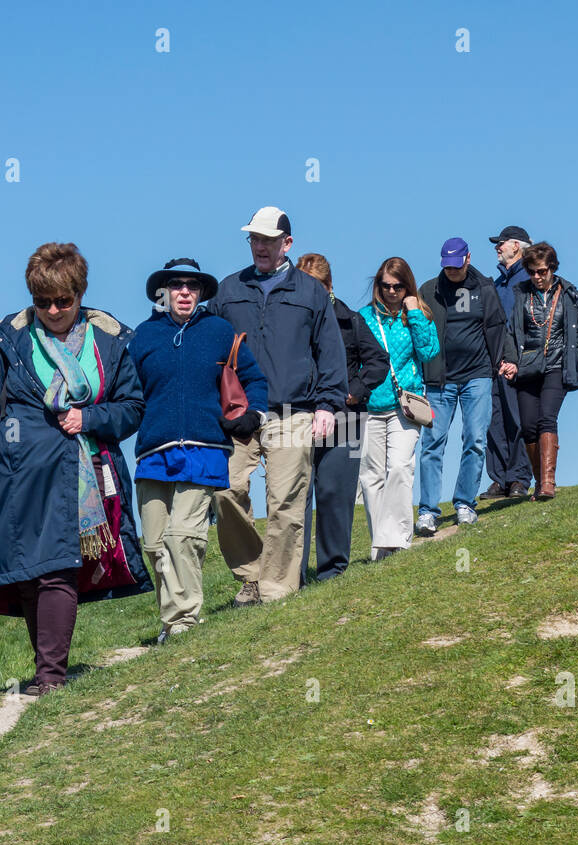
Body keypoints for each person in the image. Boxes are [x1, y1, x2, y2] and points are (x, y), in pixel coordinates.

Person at [0, 242, 150, 696]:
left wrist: (91, 418)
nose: (54, 310)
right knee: (26, 569)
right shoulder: (11, 339)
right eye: (43, 302)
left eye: (64, 300)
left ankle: (50, 676)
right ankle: (46, 668)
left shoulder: (111, 340)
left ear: (80, 293)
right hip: (17, 473)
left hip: (80, 472)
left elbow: (132, 407)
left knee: (58, 566)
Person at [207, 207, 348, 605]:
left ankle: (276, 591)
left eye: (268, 240)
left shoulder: (311, 292)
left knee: (285, 502)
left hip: (295, 411)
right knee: (225, 491)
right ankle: (253, 573)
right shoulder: (228, 290)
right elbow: (210, 350)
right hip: (239, 415)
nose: (260, 247)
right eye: (254, 239)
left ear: (287, 243)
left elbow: (330, 352)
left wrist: (327, 403)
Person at [128, 258, 268, 643]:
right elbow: (125, 393)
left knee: (182, 536)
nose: (185, 292)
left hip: (206, 449)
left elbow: (253, 378)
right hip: (153, 452)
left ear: (202, 292)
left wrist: (253, 414)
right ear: (164, 292)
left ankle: (183, 621)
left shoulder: (220, 332)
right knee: (155, 544)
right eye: (176, 285)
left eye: (192, 286)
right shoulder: (142, 337)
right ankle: (170, 618)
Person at [296, 253, 389, 582]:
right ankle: (293, 573)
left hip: (346, 418)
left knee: (335, 492)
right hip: (297, 416)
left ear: (329, 286)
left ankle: (332, 570)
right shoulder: (291, 319)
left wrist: (356, 390)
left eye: (318, 287)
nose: (312, 293)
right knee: (296, 494)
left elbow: (379, 361)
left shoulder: (349, 320)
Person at [415, 238, 512, 534]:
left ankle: (465, 504)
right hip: (439, 380)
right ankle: (428, 511)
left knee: (475, 439)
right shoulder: (429, 290)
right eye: (448, 266)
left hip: (478, 376)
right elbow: (417, 330)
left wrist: (507, 359)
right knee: (432, 444)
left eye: (457, 266)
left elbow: (497, 326)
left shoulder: (484, 287)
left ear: (468, 258)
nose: (452, 271)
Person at [359, 258, 440, 559]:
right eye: (386, 286)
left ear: (408, 286)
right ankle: (380, 545)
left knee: (400, 467)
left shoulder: (417, 315)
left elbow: (430, 352)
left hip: (405, 407)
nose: (392, 291)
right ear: (378, 286)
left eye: (398, 286)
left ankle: (398, 538)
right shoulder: (364, 317)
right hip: (370, 406)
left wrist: (415, 311)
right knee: (371, 476)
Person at [498, 242, 578, 500]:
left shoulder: (571, 294)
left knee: (546, 419)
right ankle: (538, 484)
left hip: (558, 365)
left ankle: (548, 483)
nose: (536, 277)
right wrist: (511, 360)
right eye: (532, 272)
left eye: (541, 271)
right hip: (527, 366)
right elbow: (511, 331)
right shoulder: (521, 294)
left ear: (552, 268)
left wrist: (574, 357)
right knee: (528, 426)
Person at [482, 226, 536, 500]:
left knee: (517, 420)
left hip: (516, 364)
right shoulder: (498, 282)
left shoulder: (527, 279)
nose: (497, 248)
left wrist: (514, 358)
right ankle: (500, 478)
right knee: (493, 421)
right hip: (493, 363)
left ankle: (518, 478)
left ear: (516, 246)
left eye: (500, 243)